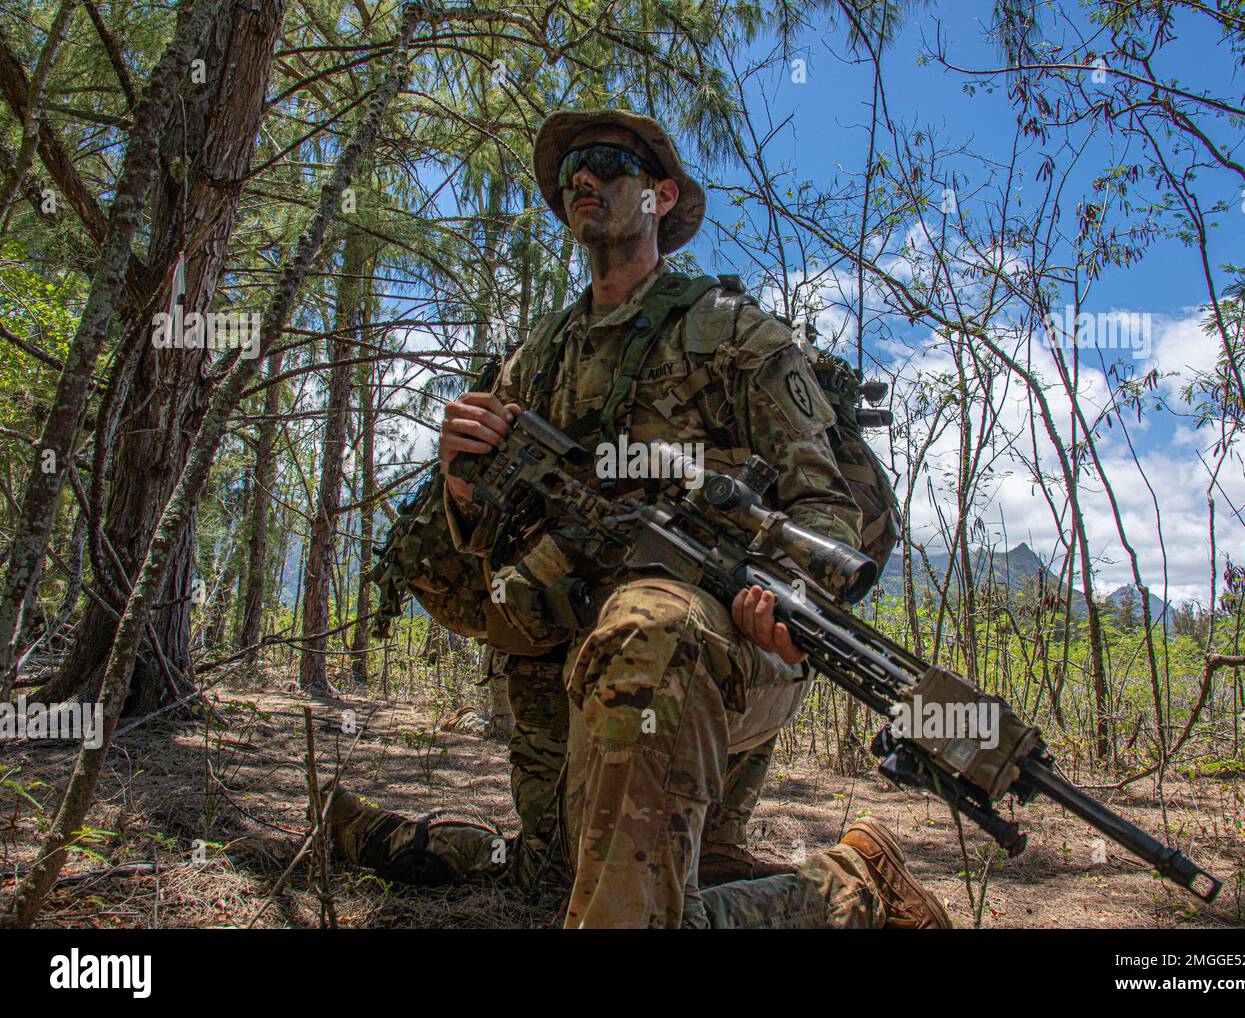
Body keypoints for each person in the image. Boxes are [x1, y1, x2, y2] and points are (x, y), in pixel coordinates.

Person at [336, 109, 949, 929]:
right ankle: (843, 883)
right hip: (577, 664)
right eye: (567, 173)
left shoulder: (734, 332)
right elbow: (486, 553)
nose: (578, 179)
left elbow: (826, 504)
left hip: (720, 651)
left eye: (603, 162)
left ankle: (750, 872)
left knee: (648, 628)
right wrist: (459, 483)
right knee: (567, 889)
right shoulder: (534, 360)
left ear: (660, 196)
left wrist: (788, 597)